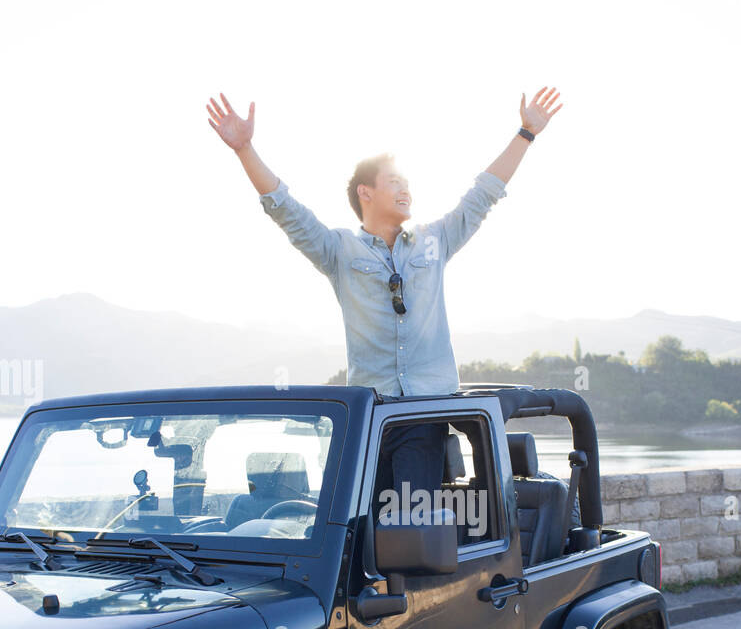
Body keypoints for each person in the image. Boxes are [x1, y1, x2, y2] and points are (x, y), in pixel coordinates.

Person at [207, 87, 563, 510]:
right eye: (394, 181)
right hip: (368, 417)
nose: (405, 189)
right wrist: (245, 149)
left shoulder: (435, 241)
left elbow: (483, 194)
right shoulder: (340, 250)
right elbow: (286, 210)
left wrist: (525, 133)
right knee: (361, 529)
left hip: (423, 415)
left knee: (411, 523)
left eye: (406, 182)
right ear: (365, 192)